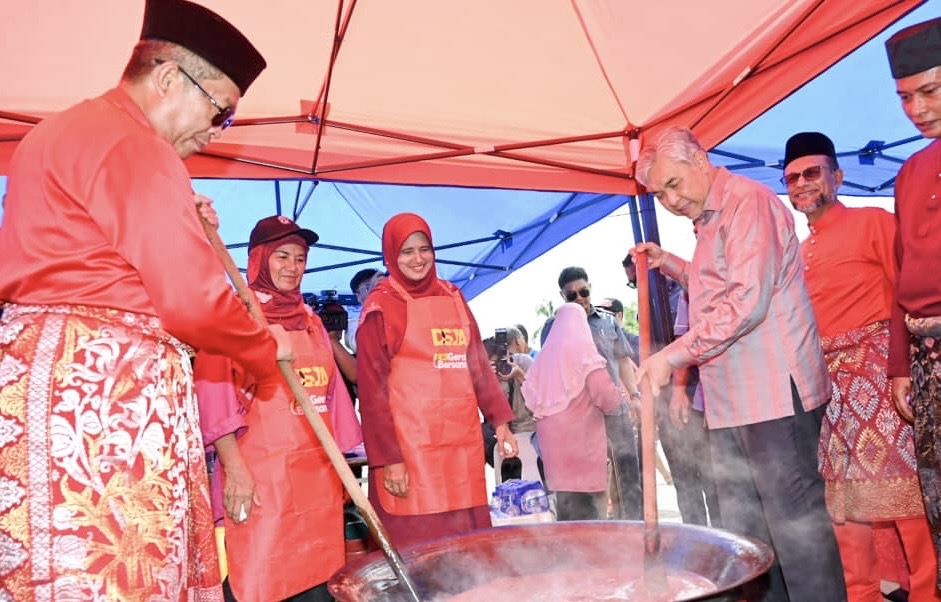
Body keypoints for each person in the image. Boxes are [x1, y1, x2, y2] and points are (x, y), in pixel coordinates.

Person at [0, 1, 287, 599]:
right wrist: (262, 352)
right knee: (118, 572)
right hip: (103, 396)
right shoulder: (136, 143)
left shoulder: (55, 132)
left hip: (39, 379)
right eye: (220, 111)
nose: (215, 131)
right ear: (166, 78)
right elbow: (195, 303)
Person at [633, 126, 846, 601]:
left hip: (772, 394)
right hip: (732, 402)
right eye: (658, 192)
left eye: (673, 183)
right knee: (751, 539)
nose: (668, 199)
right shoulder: (709, 221)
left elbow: (748, 299)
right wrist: (669, 262)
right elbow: (715, 293)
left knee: (798, 536)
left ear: (700, 160)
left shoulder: (747, 203)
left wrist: (673, 355)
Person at [783, 131, 937, 601]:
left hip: (880, 376)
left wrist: (900, 369)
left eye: (813, 172)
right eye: (792, 177)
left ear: (837, 176)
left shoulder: (873, 221)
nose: (802, 183)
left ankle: (929, 592)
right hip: (828, 386)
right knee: (845, 503)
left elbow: (905, 295)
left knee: (905, 493)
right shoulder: (797, 249)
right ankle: (862, 594)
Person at [194, 216, 362, 602]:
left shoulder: (311, 321)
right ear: (259, 258)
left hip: (316, 476)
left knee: (320, 578)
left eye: (300, 259)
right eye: (282, 256)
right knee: (261, 579)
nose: (292, 267)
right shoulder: (236, 315)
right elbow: (213, 391)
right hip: (261, 477)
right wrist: (234, 469)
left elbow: (332, 394)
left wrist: (341, 470)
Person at [356, 212, 518, 548]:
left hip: (460, 448)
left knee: (467, 557)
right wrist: (389, 460)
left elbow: (478, 365)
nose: (418, 259)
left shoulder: (453, 296)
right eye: (406, 251)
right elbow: (372, 393)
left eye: (424, 249)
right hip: (409, 456)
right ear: (390, 255)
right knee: (420, 561)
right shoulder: (380, 306)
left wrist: (500, 422)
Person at [884, 18, 941, 589]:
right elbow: (902, 277)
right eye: (905, 97)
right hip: (924, 362)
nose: (916, 109)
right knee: (937, 493)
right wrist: (901, 365)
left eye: (930, 90)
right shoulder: (910, 171)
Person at [540, 267, 643, 520]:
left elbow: (622, 362)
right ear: (563, 297)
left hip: (615, 409)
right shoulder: (554, 327)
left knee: (627, 475)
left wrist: (635, 396)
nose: (580, 298)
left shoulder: (608, 321)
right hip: (578, 421)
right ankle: (593, 538)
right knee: (586, 487)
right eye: (572, 295)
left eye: (583, 292)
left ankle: (633, 533)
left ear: (590, 288)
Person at [523, 303, 628, 520]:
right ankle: (589, 552)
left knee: (567, 509)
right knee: (589, 515)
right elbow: (606, 397)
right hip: (583, 451)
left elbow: (529, 400)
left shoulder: (543, 359)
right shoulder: (584, 354)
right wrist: (622, 400)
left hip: (555, 458)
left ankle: (567, 552)